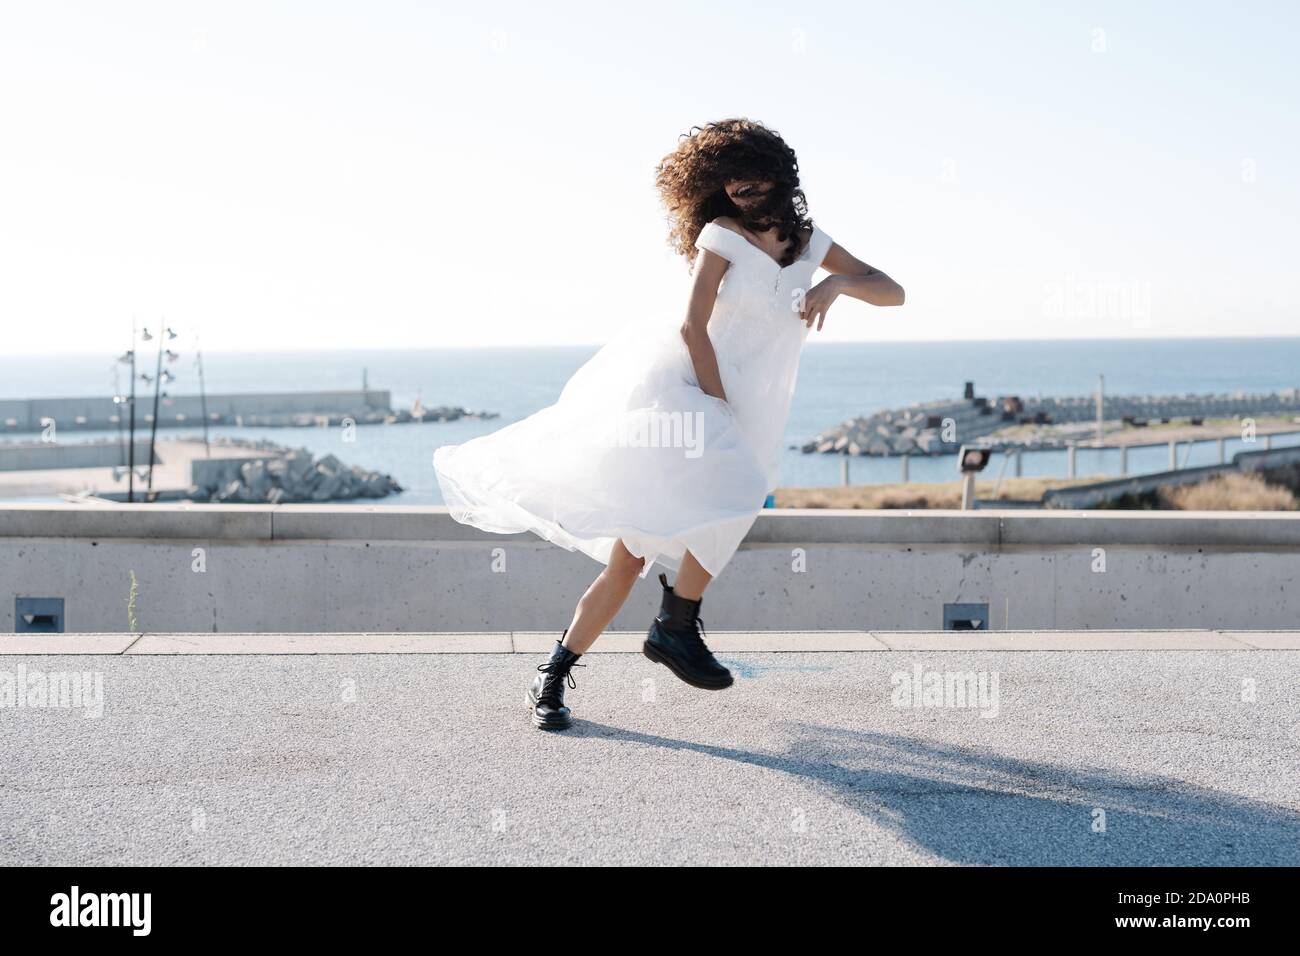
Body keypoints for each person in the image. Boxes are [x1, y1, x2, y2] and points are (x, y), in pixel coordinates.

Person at [433, 118, 904, 730]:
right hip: (688, 389)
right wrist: (716, 406)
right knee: (698, 515)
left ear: (776, 174)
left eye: (749, 178)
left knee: (681, 532)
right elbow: (692, 327)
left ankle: (649, 635)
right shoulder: (722, 235)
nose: (739, 189)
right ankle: (616, 650)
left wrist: (837, 283)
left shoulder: (809, 242)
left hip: (755, 405)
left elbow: (892, 291)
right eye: (727, 181)